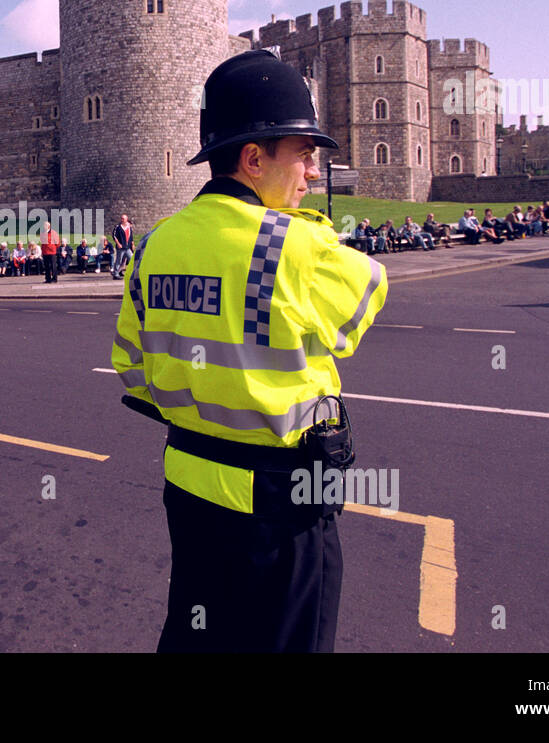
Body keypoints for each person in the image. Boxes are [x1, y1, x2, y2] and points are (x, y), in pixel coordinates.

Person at [114, 49, 387, 653]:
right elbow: (365, 297)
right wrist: (309, 228)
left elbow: (132, 368)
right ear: (253, 158)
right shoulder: (292, 247)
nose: (312, 173)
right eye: (304, 154)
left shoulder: (155, 244)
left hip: (188, 489)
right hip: (281, 506)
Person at [111, 214, 135, 279]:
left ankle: (133, 272)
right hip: (121, 248)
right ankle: (115, 274)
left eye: (123, 219)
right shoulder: (118, 227)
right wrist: (118, 243)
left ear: (126, 219)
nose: (122, 220)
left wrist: (132, 244)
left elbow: (131, 236)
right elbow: (114, 235)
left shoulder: (129, 227)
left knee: (132, 259)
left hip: (127, 247)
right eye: (121, 218)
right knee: (119, 260)